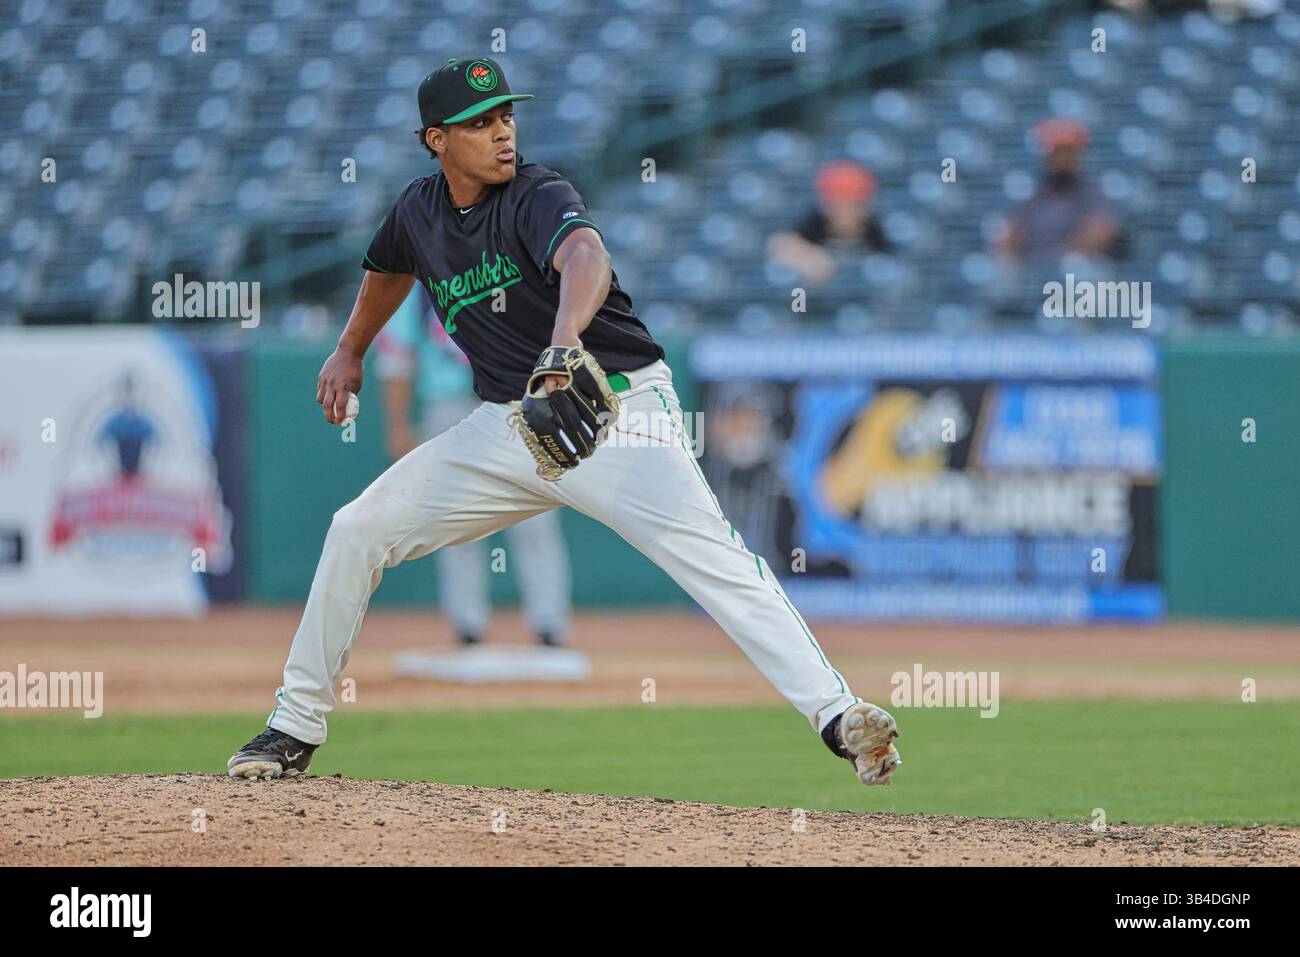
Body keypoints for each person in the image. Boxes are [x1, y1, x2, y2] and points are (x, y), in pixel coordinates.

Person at [226, 57, 900, 789]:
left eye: (506, 115)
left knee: (714, 560)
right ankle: (294, 725)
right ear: (435, 140)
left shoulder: (537, 194)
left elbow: (586, 254)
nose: (502, 131)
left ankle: (839, 716)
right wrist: (349, 347)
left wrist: (565, 337)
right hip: (505, 426)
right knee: (357, 527)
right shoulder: (416, 214)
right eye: (479, 123)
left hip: (612, 406)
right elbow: (389, 266)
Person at [375, 283, 572, 648]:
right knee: (456, 520)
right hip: (448, 405)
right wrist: (398, 427)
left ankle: (549, 624)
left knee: (535, 515)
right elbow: (396, 358)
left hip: (516, 403)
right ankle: (468, 624)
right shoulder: (420, 288)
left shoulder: (511, 267)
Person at [994, 118, 1118, 267]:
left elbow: (1098, 233)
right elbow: (1008, 237)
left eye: (1068, 151)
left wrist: (1058, 265)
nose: (1063, 158)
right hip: (1033, 276)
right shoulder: (1033, 197)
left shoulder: (1093, 195)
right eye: (1057, 152)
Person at [766, 160, 890, 285]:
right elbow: (779, 244)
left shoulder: (876, 231)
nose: (845, 211)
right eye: (838, 203)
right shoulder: (814, 224)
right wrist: (810, 256)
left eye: (853, 203)